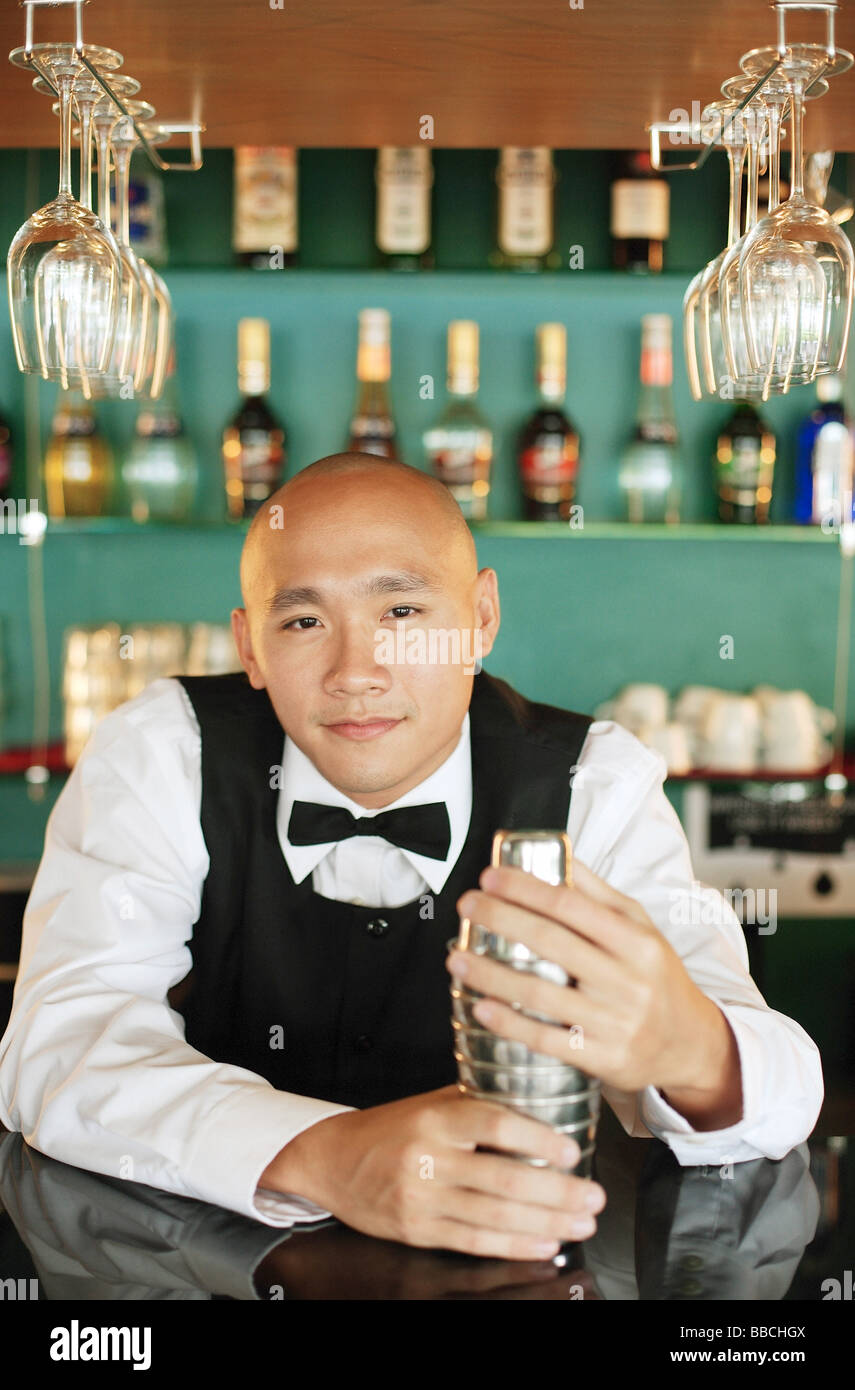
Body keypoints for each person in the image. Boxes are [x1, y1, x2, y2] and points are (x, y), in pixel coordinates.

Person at [0, 453, 823, 1264]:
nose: (356, 674)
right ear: (249, 647)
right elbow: (61, 1046)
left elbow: (779, 1084)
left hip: (519, 1267)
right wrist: (326, 1154)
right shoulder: (163, 753)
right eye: (304, 622)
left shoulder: (590, 783)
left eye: (401, 613)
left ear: (481, 619)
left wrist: (695, 1050)